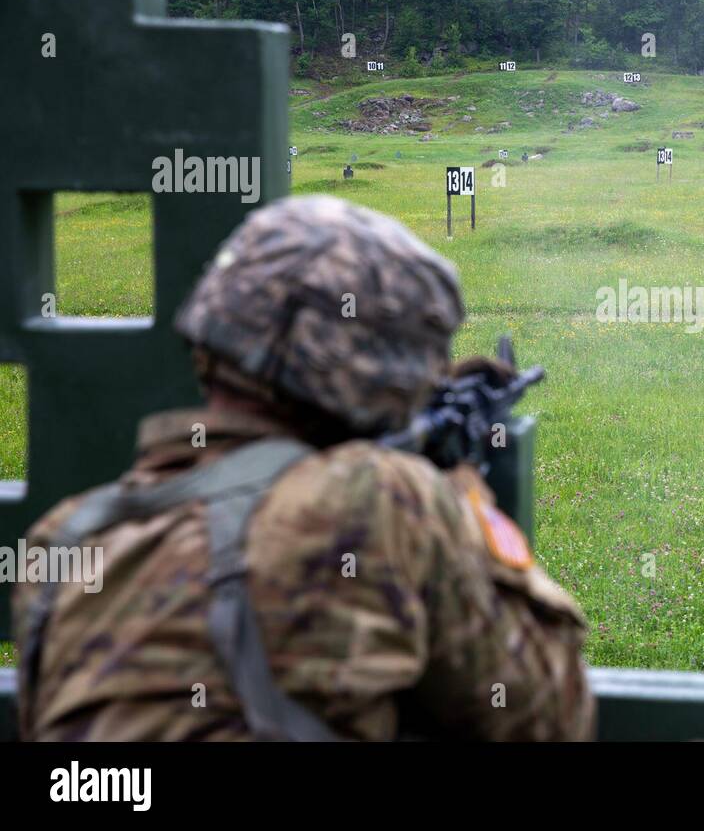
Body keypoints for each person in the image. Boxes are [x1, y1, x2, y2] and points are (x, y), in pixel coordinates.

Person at [13, 195, 593, 741]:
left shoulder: (69, 537)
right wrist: (463, 492)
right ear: (376, 378)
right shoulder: (380, 498)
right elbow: (549, 714)